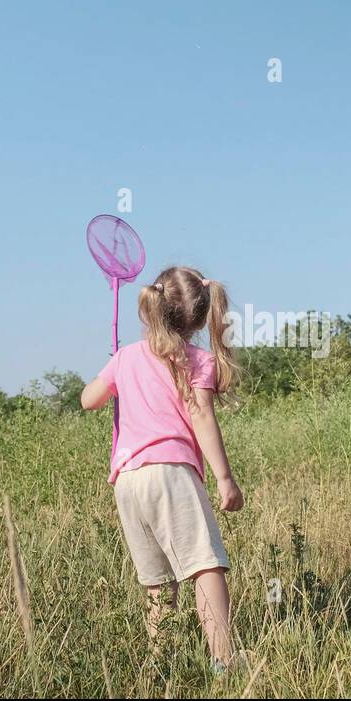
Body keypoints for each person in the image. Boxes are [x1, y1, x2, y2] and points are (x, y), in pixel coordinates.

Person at [81, 265, 245, 672]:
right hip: (170, 471)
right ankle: (223, 659)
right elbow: (202, 417)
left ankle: (160, 664)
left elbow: (88, 400)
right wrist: (225, 478)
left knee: (157, 581)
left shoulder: (125, 358)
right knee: (206, 565)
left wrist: (114, 369)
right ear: (198, 318)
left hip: (128, 480)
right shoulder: (195, 360)